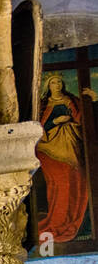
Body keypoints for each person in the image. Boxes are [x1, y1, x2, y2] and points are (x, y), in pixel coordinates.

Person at [36, 73, 97, 244]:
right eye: (53, 83)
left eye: (59, 82)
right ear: (48, 86)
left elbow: (86, 120)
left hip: (74, 151)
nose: (57, 85)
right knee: (58, 187)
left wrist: (93, 102)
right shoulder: (42, 106)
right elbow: (37, 128)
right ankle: (57, 223)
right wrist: (55, 121)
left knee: (78, 184)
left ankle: (74, 222)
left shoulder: (73, 101)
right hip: (51, 152)